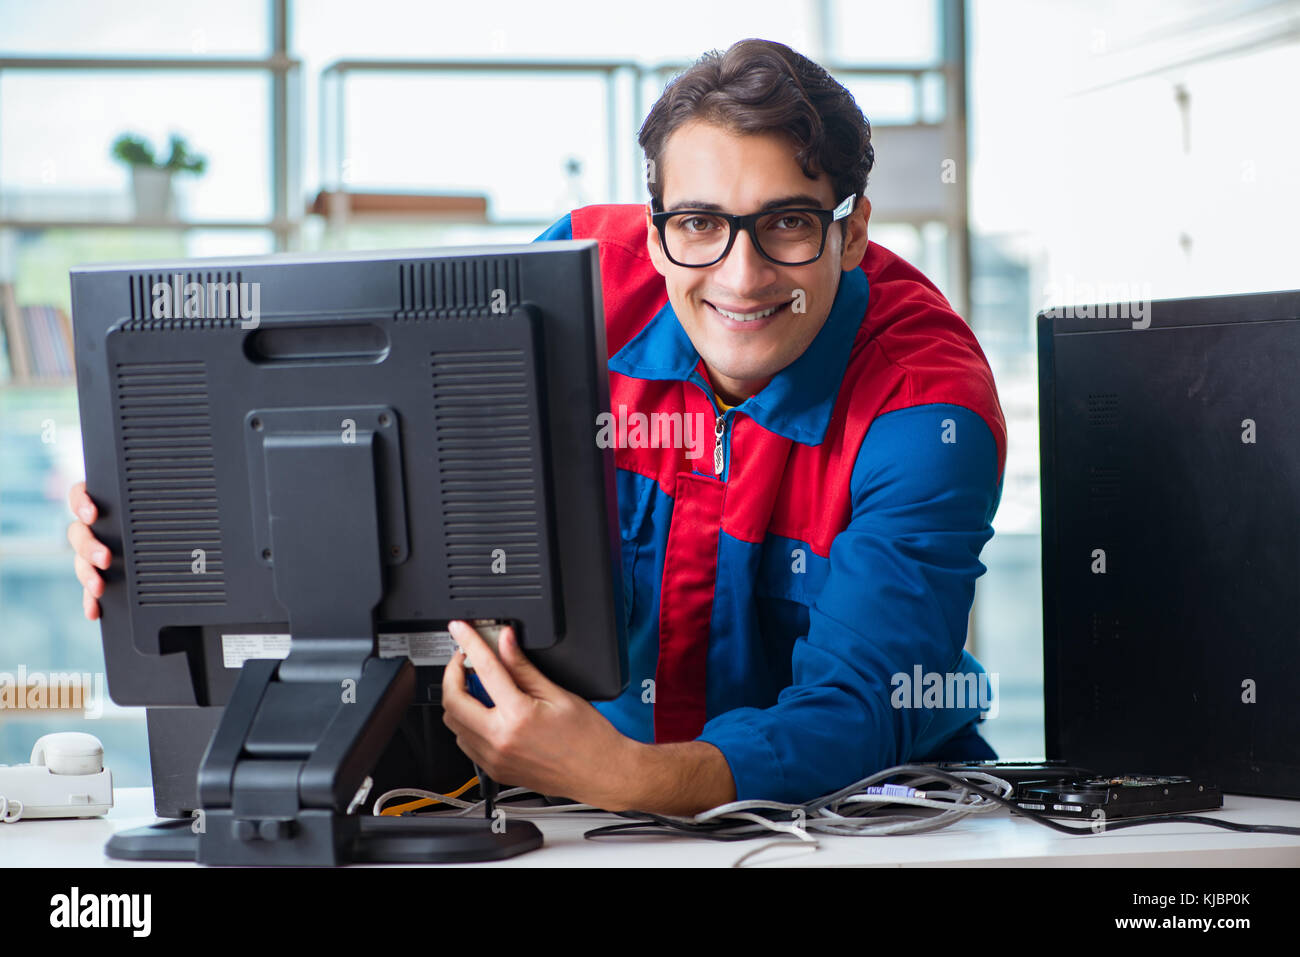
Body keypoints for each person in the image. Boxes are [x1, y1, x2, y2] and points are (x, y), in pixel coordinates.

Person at [69, 38, 1005, 817]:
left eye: (790, 224)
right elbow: (398, 488)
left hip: (862, 825)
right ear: (652, 229)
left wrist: (629, 775)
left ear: (852, 231)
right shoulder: (566, 297)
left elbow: (857, 707)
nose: (741, 273)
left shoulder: (928, 406)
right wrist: (157, 524)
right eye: (698, 223)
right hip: (569, 815)